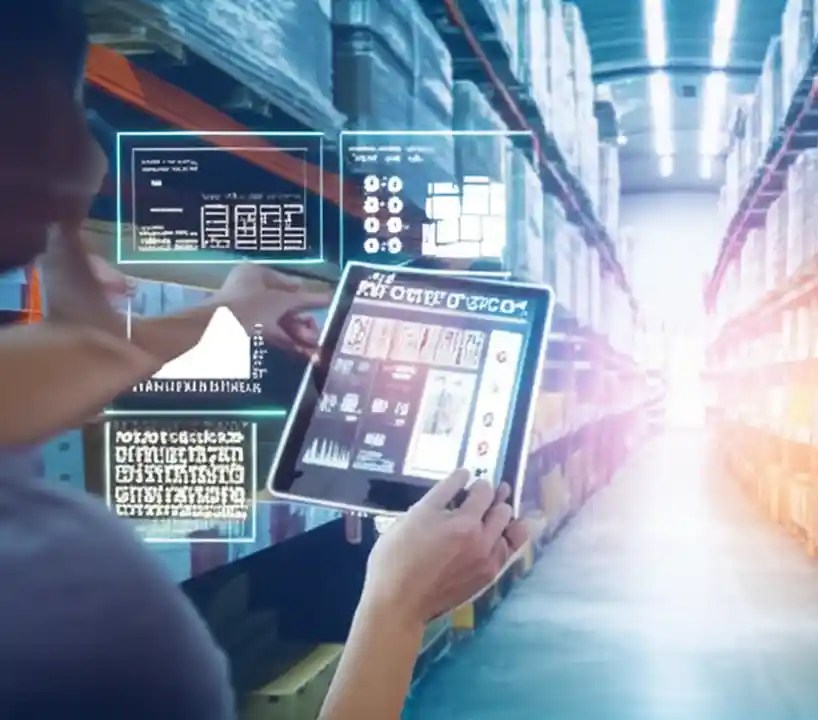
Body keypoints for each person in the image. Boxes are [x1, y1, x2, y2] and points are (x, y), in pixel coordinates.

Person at [0, 3, 527, 718]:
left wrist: (210, 320)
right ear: (51, 152)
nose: (95, 156)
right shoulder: (69, 595)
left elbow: (36, 374)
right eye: (74, 108)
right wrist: (397, 606)